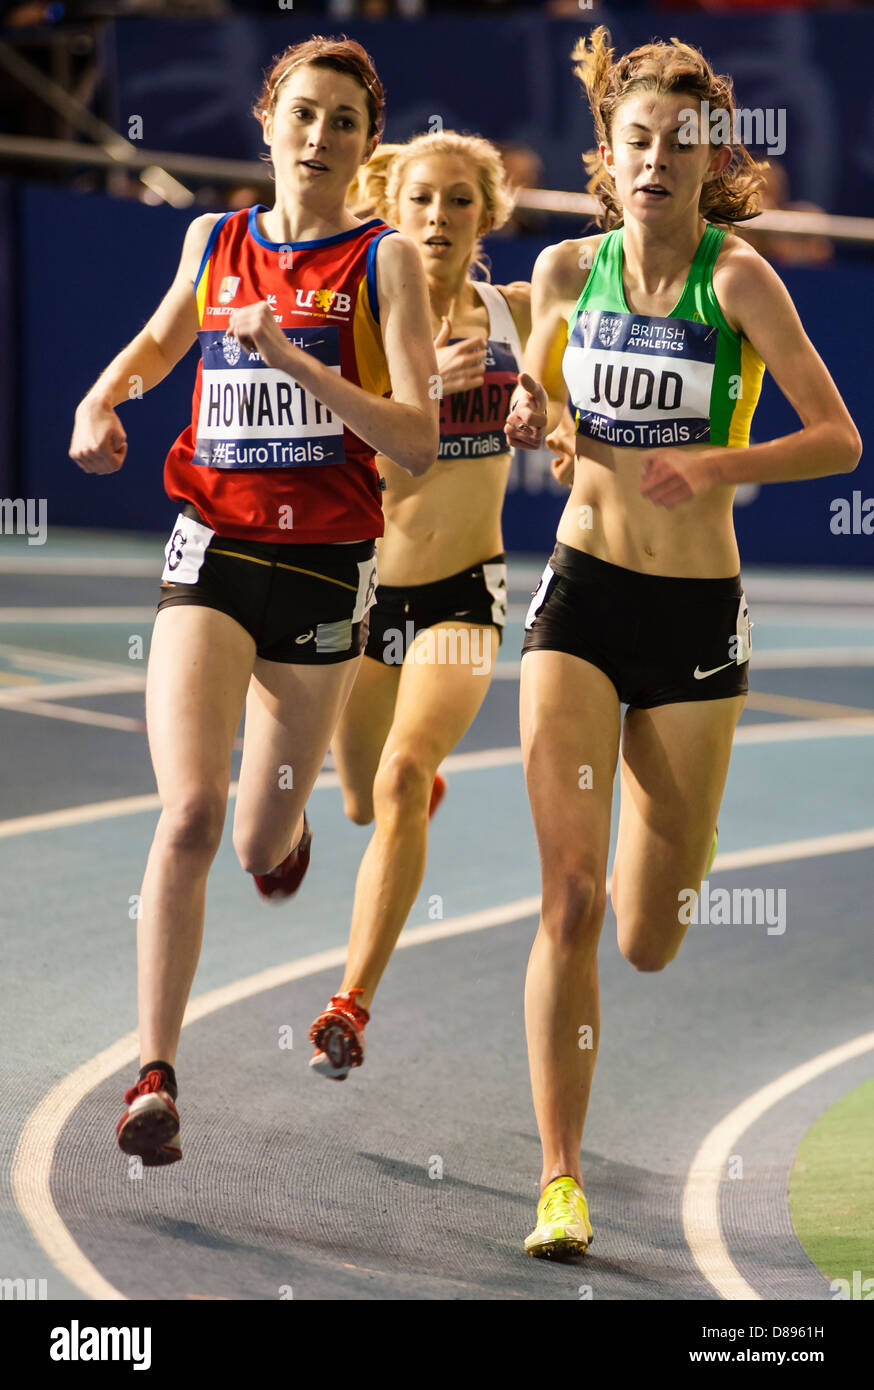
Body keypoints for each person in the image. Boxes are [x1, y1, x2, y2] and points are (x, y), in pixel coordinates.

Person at [505, 26, 861, 1258]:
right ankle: (560, 1180)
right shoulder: (563, 272)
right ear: (606, 154)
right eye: (636, 139)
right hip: (580, 596)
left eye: (682, 142)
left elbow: (837, 439)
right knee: (569, 897)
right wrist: (529, 408)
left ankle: (689, 830)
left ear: (715, 160)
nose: (657, 159)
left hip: (695, 619)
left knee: (648, 934)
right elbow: (536, 399)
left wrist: (716, 461)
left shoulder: (740, 280)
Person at [68, 36, 439, 1166]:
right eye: (302, 114)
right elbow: (159, 339)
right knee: (189, 810)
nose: (318, 137)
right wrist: (104, 397)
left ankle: (284, 840)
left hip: (326, 572)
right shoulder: (214, 239)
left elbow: (416, 439)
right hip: (215, 552)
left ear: (365, 146)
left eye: (342, 122)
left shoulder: (387, 263)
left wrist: (294, 357)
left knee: (259, 839)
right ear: (266, 120)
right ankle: (154, 1077)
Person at [305, 131, 539, 1080]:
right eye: (420, 203)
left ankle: (350, 1003)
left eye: (458, 203)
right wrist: (419, 397)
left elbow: (565, 426)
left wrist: (545, 422)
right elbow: (329, 458)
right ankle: (406, 791)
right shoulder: (361, 325)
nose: (438, 220)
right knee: (362, 800)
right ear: (389, 210)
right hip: (366, 596)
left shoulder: (519, 312)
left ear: (488, 215)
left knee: (401, 776)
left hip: (461, 594)